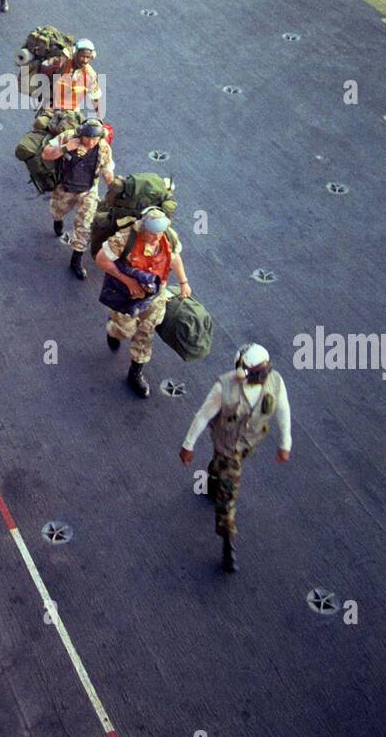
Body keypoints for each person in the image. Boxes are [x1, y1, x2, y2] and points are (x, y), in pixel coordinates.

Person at [179, 343, 291, 573]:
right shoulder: (224, 388)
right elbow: (203, 415)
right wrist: (188, 445)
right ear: (243, 371)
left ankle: (212, 479)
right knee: (227, 497)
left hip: (248, 444)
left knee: (220, 470)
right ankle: (227, 543)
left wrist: (285, 442)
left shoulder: (275, 381)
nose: (264, 376)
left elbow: (282, 410)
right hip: (227, 447)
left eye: (265, 370)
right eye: (259, 372)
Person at [95, 207, 191, 398]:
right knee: (126, 331)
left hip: (155, 294)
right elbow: (101, 260)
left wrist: (183, 282)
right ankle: (114, 329)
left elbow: (174, 258)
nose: (158, 237)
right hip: (126, 297)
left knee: (146, 332)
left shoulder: (167, 237)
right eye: (153, 234)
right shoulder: (124, 239)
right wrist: (127, 280)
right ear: (143, 229)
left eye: (160, 232)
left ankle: (135, 372)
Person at [43, 118, 115, 280]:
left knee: (85, 226)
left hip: (88, 190)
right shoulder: (68, 137)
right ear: (81, 134)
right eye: (87, 138)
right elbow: (46, 154)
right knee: (57, 211)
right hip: (65, 187)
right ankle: (58, 220)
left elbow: (108, 172)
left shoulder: (103, 148)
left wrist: (114, 189)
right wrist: (65, 148)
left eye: (95, 139)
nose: (90, 142)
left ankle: (76, 258)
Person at [52, 39, 102, 114]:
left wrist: (100, 118)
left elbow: (95, 98)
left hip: (71, 111)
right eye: (82, 56)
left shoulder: (90, 75)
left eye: (88, 57)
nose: (85, 60)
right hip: (51, 104)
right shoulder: (65, 63)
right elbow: (58, 67)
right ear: (75, 54)